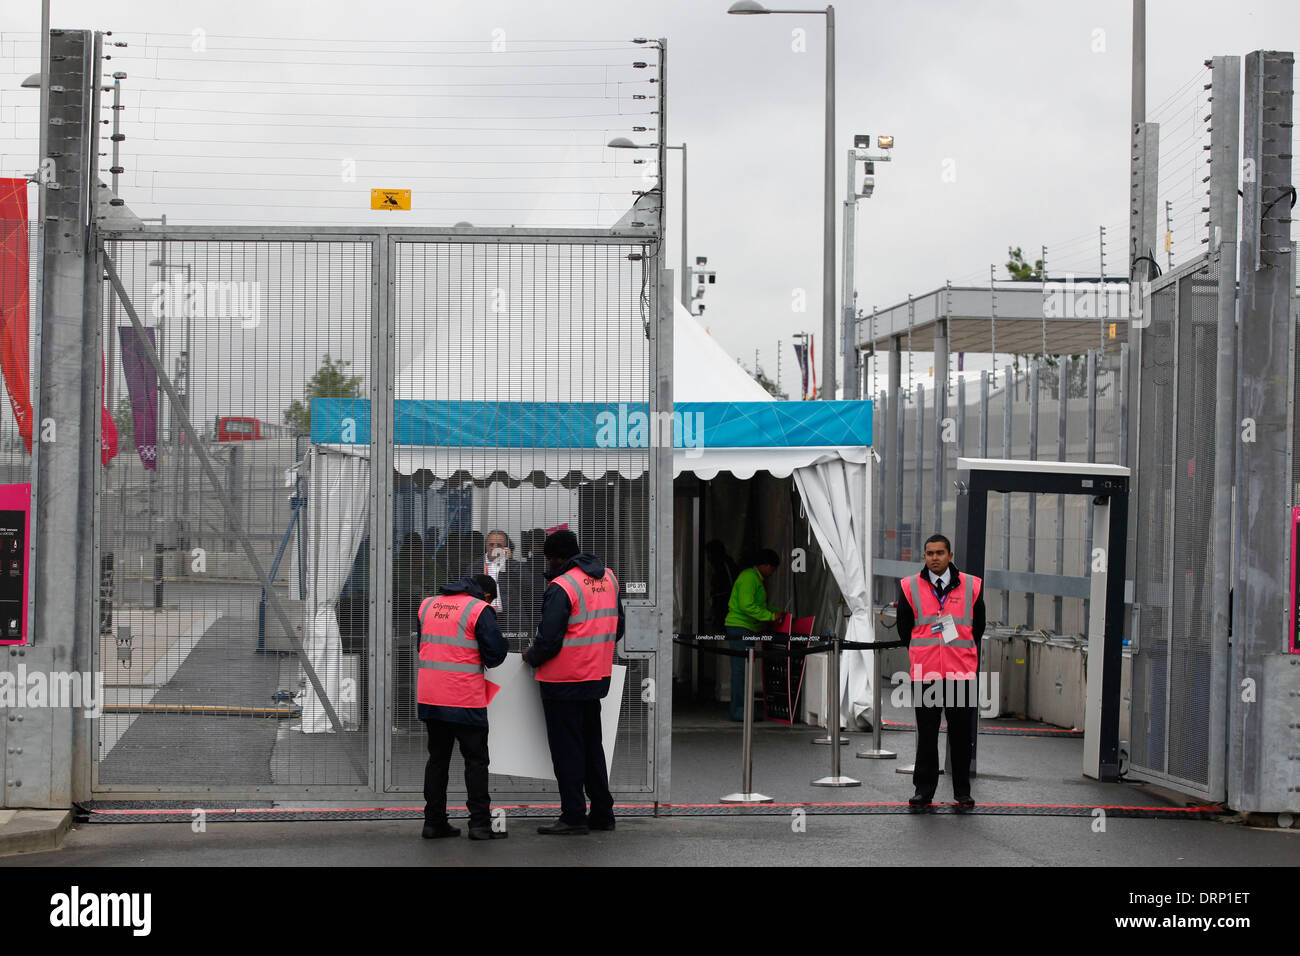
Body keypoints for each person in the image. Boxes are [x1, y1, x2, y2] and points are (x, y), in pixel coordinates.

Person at [522, 529, 625, 835]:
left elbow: (549, 638)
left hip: (563, 679)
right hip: (596, 677)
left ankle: (573, 816)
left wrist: (531, 656)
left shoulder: (562, 585)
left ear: (555, 559)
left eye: (549, 559)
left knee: (568, 750)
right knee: (593, 746)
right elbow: (617, 627)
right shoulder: (609, 578)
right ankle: (603, 813)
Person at [894, 533, 985, 811]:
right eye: (930, 553)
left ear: (950, 556)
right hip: (926, 671)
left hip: (960, 672)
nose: (935, 558)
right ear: (924, 556)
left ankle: (962, 792)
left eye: (940, 553)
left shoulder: (972, 585)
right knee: (927, 734)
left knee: (960, 735)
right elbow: (904, 628)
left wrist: (958, 652)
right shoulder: (910, 586)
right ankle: (924, 790)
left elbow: (978, 626)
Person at [417, 573, 509, 841]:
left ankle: (434, 822)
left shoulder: (428, 605)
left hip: (431, 696)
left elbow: (423, 647)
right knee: (476, 761)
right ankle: (479, 825)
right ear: (487, 595)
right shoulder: (479, 609)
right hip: (464, 698)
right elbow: (495, 656)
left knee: (437, 760)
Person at [723, 548, 781, 722]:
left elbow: (760, 604)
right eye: (772, 568)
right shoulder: (749, 578)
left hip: (746, 628)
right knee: (741, 671)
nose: (773, 572)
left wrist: (778, 613)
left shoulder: (755, 578)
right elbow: (747, 605)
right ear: (765, 565)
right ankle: (739, 711)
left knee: (744, 670)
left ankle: (743, 709)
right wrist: (771, 616)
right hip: (740, 627)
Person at [463, 529, 525, 632]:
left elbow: (528, 585)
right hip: (483, 616)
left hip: (511, 619)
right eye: (491, 545)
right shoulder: (475, 567)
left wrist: (509, 562)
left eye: (499, 545)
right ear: (486, 546)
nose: (494, 548)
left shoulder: (514, 565)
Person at [704, 539, 739, 632]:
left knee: (722, 630)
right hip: (720, 603)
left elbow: (731, 585)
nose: (708, 557)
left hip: (725, 604)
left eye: (709, 554)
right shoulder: (719, 565)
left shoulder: (725, 564)